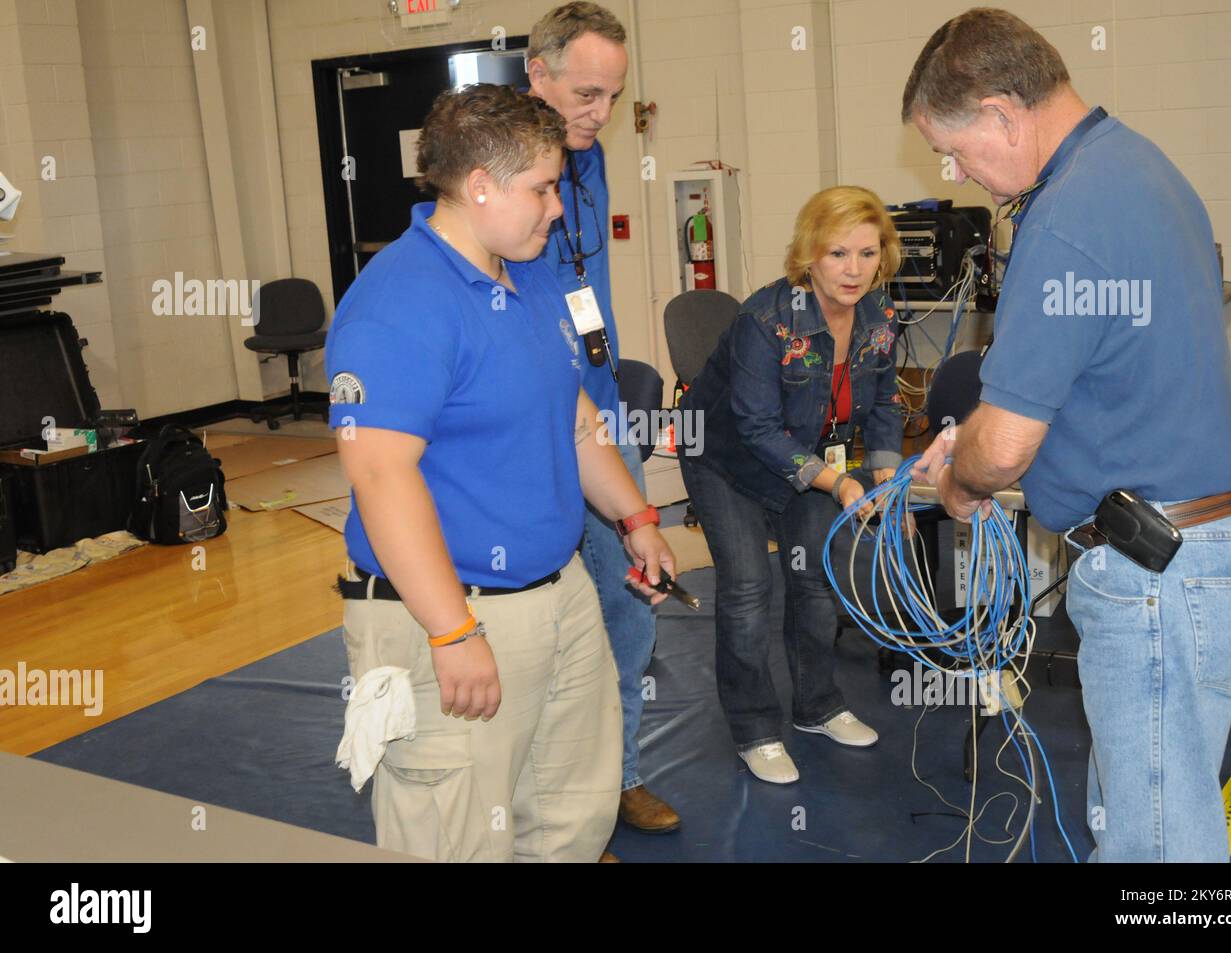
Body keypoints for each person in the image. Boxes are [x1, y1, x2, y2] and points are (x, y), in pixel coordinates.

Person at [903, 8, 1231, 861]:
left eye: (956, 149)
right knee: (1149, 818)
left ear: (1003, 112)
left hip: (1159, 575)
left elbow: (1002, 451)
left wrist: (959, 484)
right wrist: (980, 436)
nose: (957, 171)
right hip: (1208, 557)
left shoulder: (1067, 217)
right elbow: (1091, 373)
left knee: (1158, 851)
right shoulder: (1139, 169)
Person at [324, 83, 674, 863]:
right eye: (543, 189)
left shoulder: (533, 272)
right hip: (451, 612)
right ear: (479, 185)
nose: (558, 208)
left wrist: (635, 517)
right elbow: (383, 479)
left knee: (567, 814)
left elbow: (575, 417)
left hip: (560, 593)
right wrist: (452, 629)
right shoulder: (397, 303)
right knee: (454, 836)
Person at [678, 186, 905, 783]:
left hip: (808, 467)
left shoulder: (880, 316)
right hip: (725, 460)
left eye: (866, 252)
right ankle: (756, 730)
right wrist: (837, 483)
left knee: (812, 583)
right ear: (808, 255)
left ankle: (818, 706)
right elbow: (754, 426)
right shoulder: (765, 320)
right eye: (837, 254)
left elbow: (883, 401)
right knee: (750, 588)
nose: (853, 269)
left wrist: (884, 477)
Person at [528, 2, 679, 833]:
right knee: (546, 631)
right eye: (585, 94)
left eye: (614, 97)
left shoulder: (587, 162)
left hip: (599, 417)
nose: (600, 114)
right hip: (537, 429)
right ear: (536, 75)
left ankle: (614, 778)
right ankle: (556, 815)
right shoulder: (505, 181)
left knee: (626, 608)